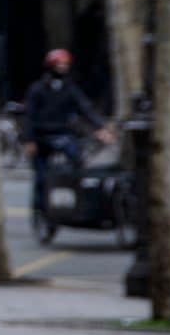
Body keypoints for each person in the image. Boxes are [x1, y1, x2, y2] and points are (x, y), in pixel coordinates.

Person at [23, 48, 114, 218]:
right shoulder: (37, 90)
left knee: (78, 162)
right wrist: (29, 140)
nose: (62, 68)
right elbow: (29, 117)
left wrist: (101, 128)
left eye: (65, 65)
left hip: (63, 134)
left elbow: (85, 108)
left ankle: (79, 204)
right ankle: (41, 209)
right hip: (41, 136)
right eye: (59, 64)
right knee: (41, 177)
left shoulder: (70, 89)